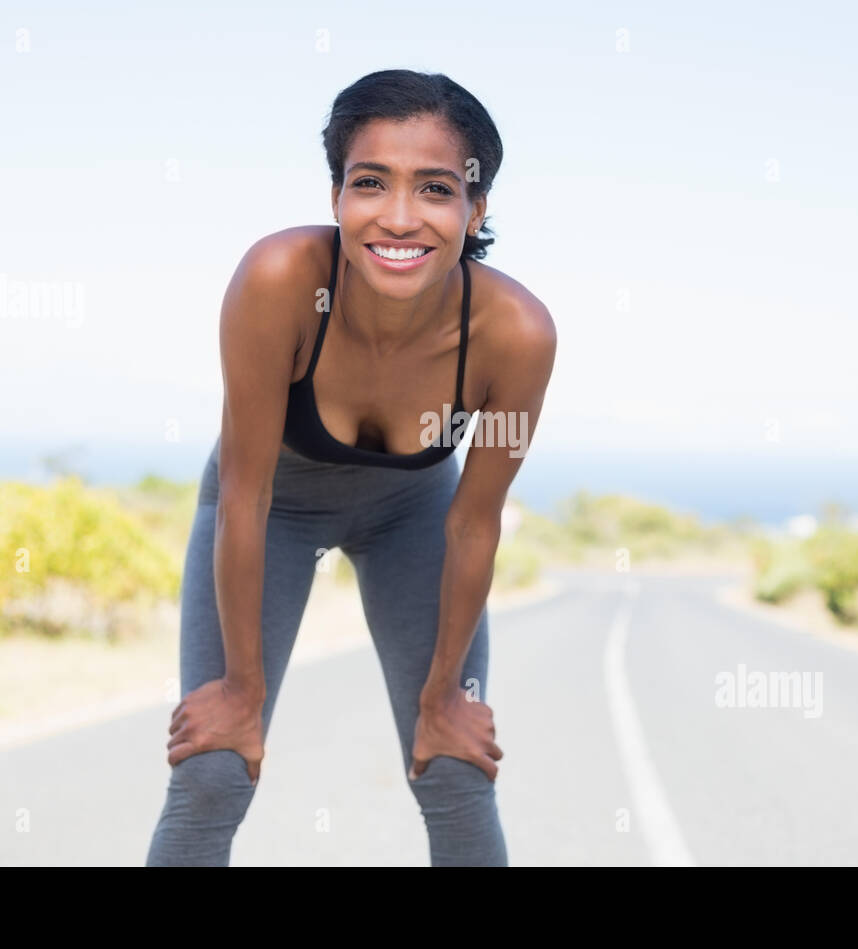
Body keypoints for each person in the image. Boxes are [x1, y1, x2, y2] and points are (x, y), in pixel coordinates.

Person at [145, 69, 556, 866]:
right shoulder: (280, 281)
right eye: (371, 182)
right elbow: (244, 492)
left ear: (476, 211)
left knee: (455, 772)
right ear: (336, 196)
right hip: (269, 507)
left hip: (417, 517)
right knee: (213, 772)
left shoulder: (516, 335)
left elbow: (474, 523)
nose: (398, 217)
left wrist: (443, 698)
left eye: (435, 189)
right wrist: (240, 693)